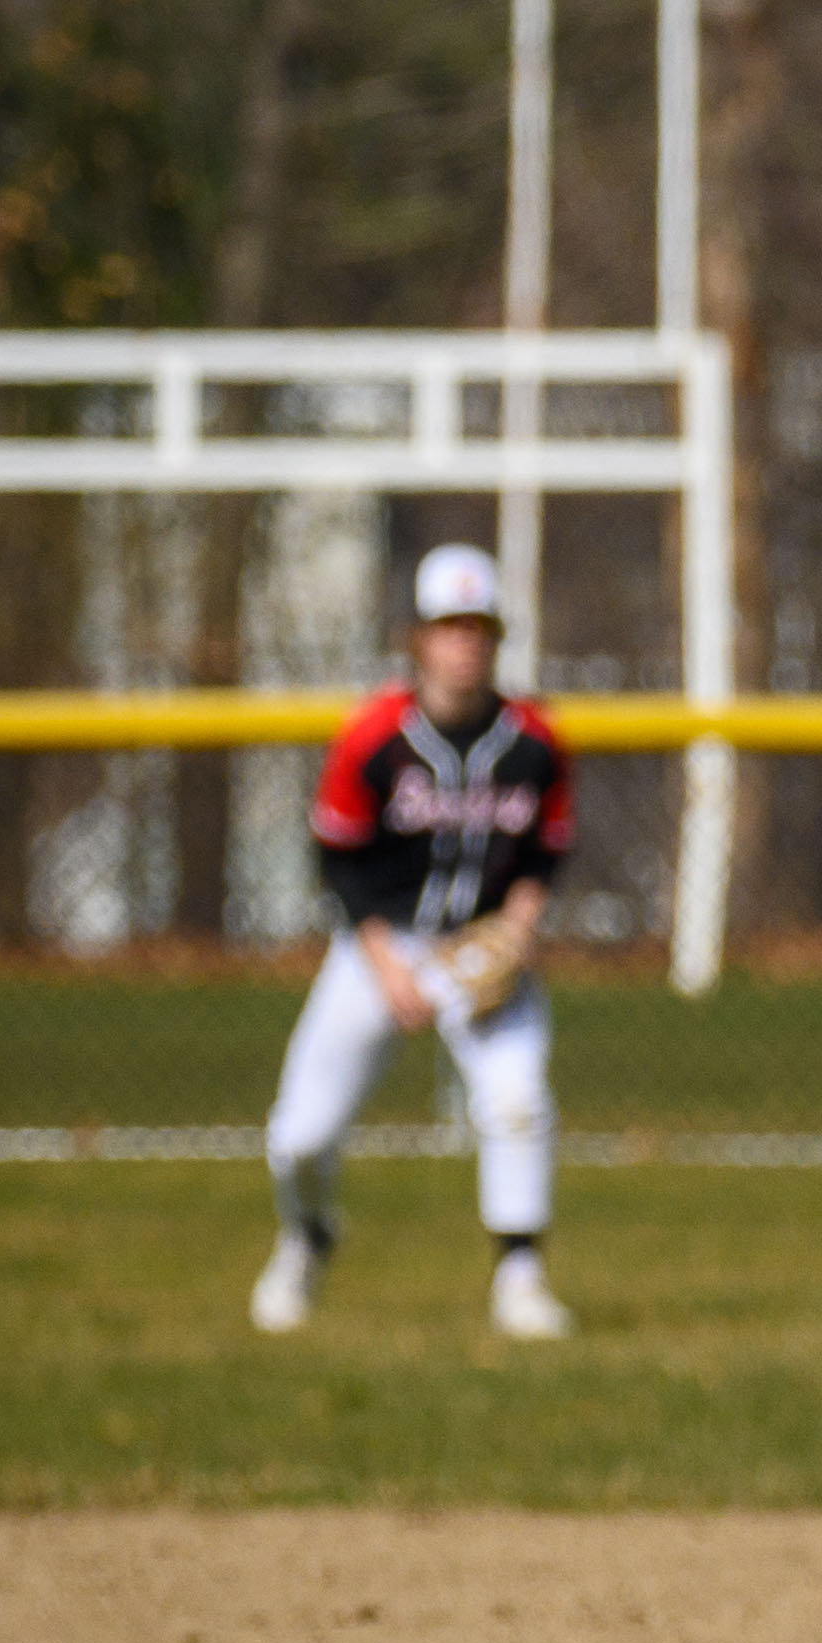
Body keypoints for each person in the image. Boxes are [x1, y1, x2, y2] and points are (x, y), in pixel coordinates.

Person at [249, 543, 579, 1343]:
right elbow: (337, 854)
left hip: (481, 948)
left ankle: (520, 1275)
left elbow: (546, 849)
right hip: (380, 948)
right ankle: (307, 1234)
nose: (464, 641)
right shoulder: (372, 737)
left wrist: (520, 927)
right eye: (448, 626)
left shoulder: (533, 739)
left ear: (496, 637)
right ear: (419, 639)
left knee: (517, 1102)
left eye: (478, 626)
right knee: (297, 1136)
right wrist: (386, 963)